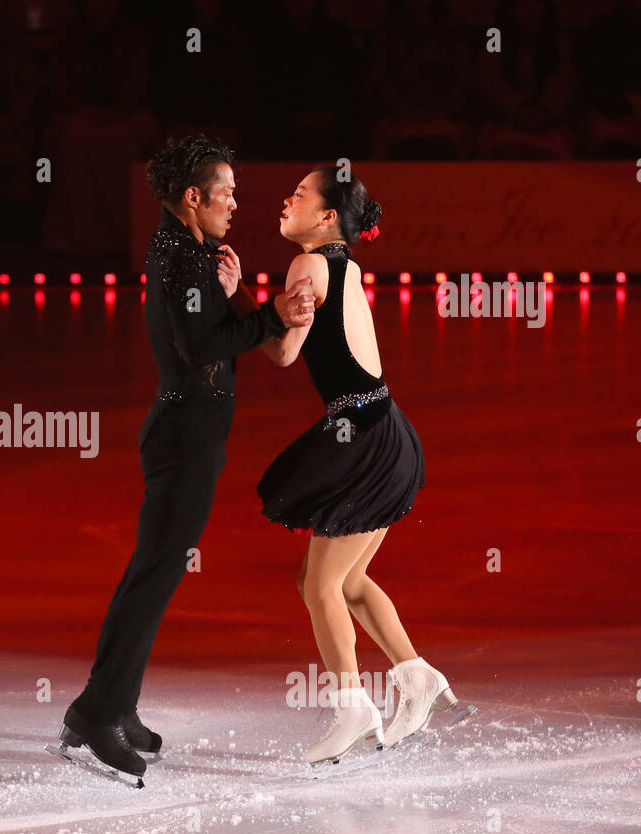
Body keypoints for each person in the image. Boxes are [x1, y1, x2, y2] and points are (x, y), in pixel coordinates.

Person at [55, 135, 315, 784]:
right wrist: (271, 315)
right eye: (226, 192)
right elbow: (204, 349)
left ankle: (114, 704)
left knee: (156, 577)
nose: (235, 203)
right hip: (183, 438)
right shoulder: (182, 258)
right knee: (150, 579)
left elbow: (205, 332)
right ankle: (95, 714)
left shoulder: (189, 250)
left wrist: (235, 294)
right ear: (193, 197)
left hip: (190, 433)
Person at [225, 166, 467, 767]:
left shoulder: (307, 265)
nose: (288, 198)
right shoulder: (345, 265)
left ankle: (353, 710)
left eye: (301, 195)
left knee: (320, 584)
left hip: (360, 437)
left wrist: (234, 293)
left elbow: (282, 353)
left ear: (327, 216)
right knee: (348, 581)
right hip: (383, 427)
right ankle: (418, 679)